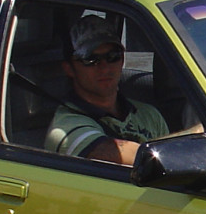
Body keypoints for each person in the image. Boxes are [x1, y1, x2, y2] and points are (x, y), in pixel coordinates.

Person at [45, 14, 168, 165]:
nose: (104, 68)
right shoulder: (65, 127)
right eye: (90, 59)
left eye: (113, 56)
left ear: (122, 59)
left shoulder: (150, 115)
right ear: (69, 68)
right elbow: (109, 152)